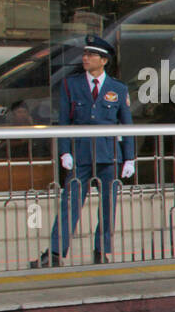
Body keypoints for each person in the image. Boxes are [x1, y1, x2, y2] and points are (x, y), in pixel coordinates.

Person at [31, 35, 135, 268]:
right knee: (70, 203)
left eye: (91, 55)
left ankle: (102, 250)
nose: (85, 58)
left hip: (109, 155)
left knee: (108, 206)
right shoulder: (72, 84)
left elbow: (127, 125)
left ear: (104, 60)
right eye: (85, 54)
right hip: (81, 154)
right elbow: (64, 122)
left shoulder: (117, 88)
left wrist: (129, 157)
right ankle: (56, 253)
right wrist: (64, 151)